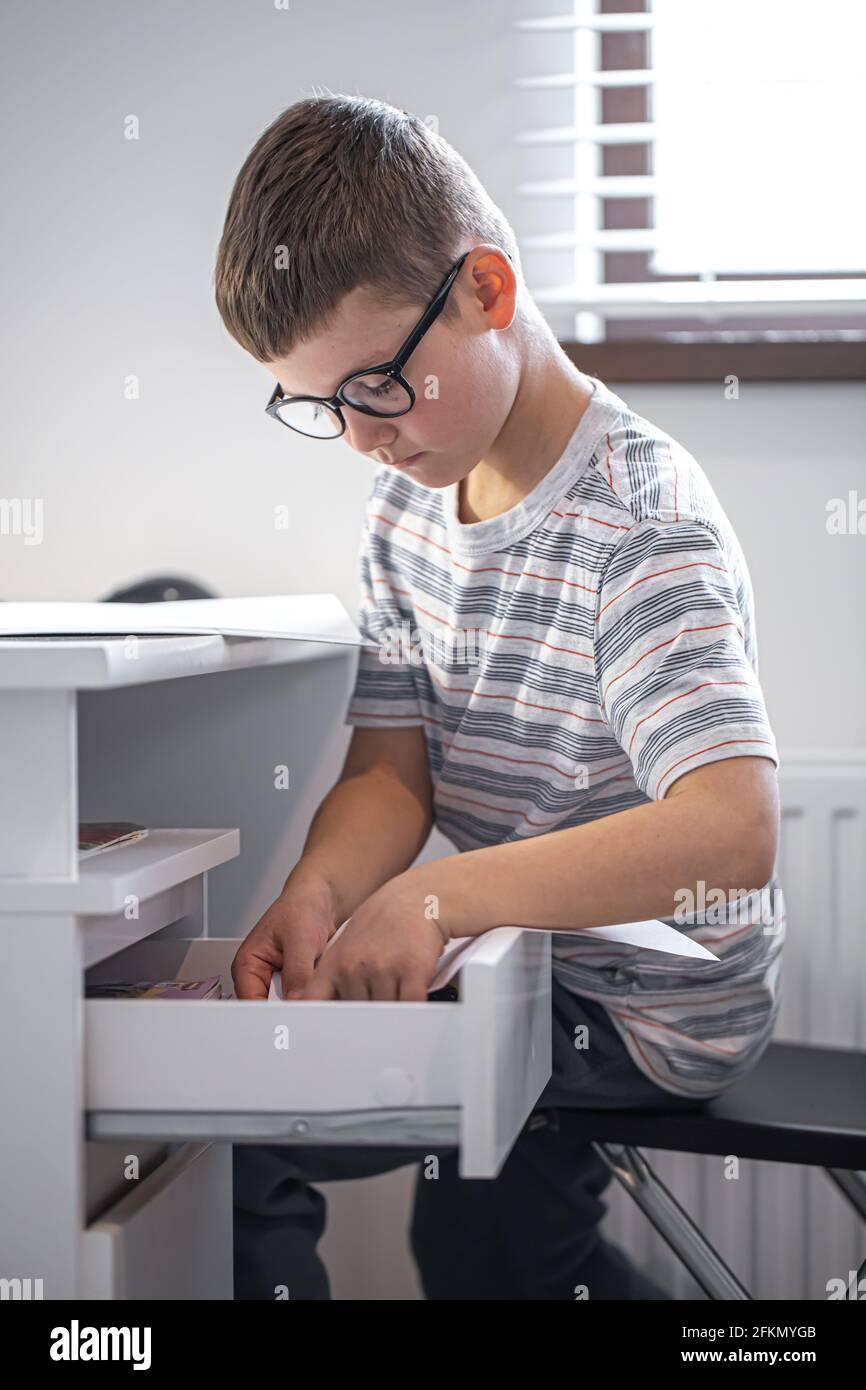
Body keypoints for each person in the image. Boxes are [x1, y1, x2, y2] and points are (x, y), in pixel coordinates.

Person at [214, 94, 784, 1301]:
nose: (359, 437)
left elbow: (729, 835)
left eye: (375, 384)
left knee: (482, 1259)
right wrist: (320, 889)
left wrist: (432, 900)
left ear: (485, 290)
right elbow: (389, 771)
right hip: (516, 952)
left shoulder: (639, 521)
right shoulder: (403, 504)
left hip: (643, 997)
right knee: (239, 1102)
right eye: (319, 409)